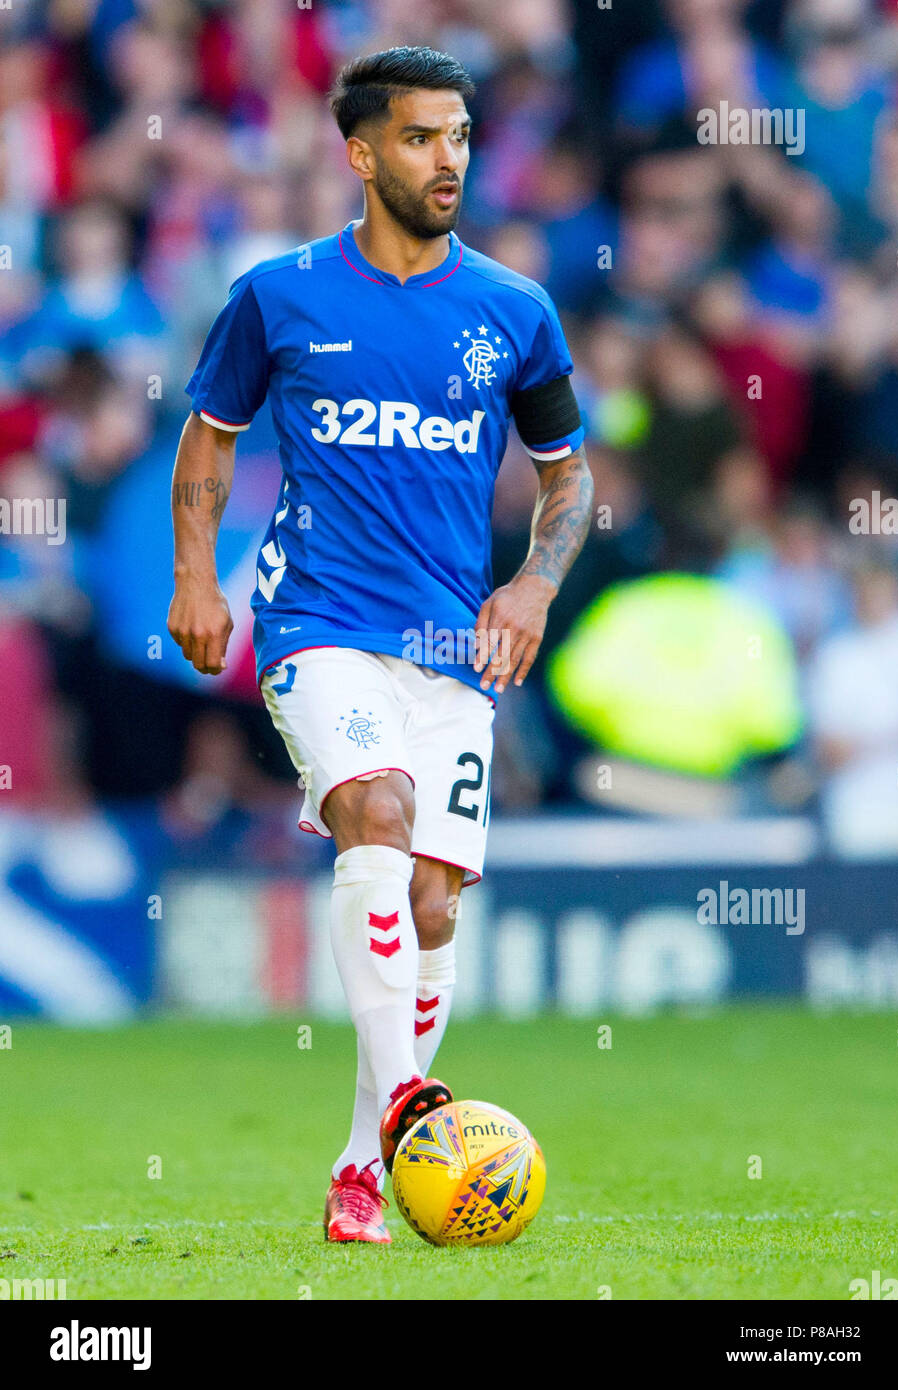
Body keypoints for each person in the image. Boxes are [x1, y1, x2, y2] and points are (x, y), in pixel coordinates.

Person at [167, 46, 592, 1243]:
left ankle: (364, 1163)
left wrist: (532, 588)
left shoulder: (514, 310)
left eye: (458, 135)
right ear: (360, 154)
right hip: (319, 625)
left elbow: (569, 480)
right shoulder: (280, 293)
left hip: (453, 648)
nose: (446, 158)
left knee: (434, 907)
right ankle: (411, 1098)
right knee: (377, 810)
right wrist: (197, 580)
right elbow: (207, 442)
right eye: (418, 137)